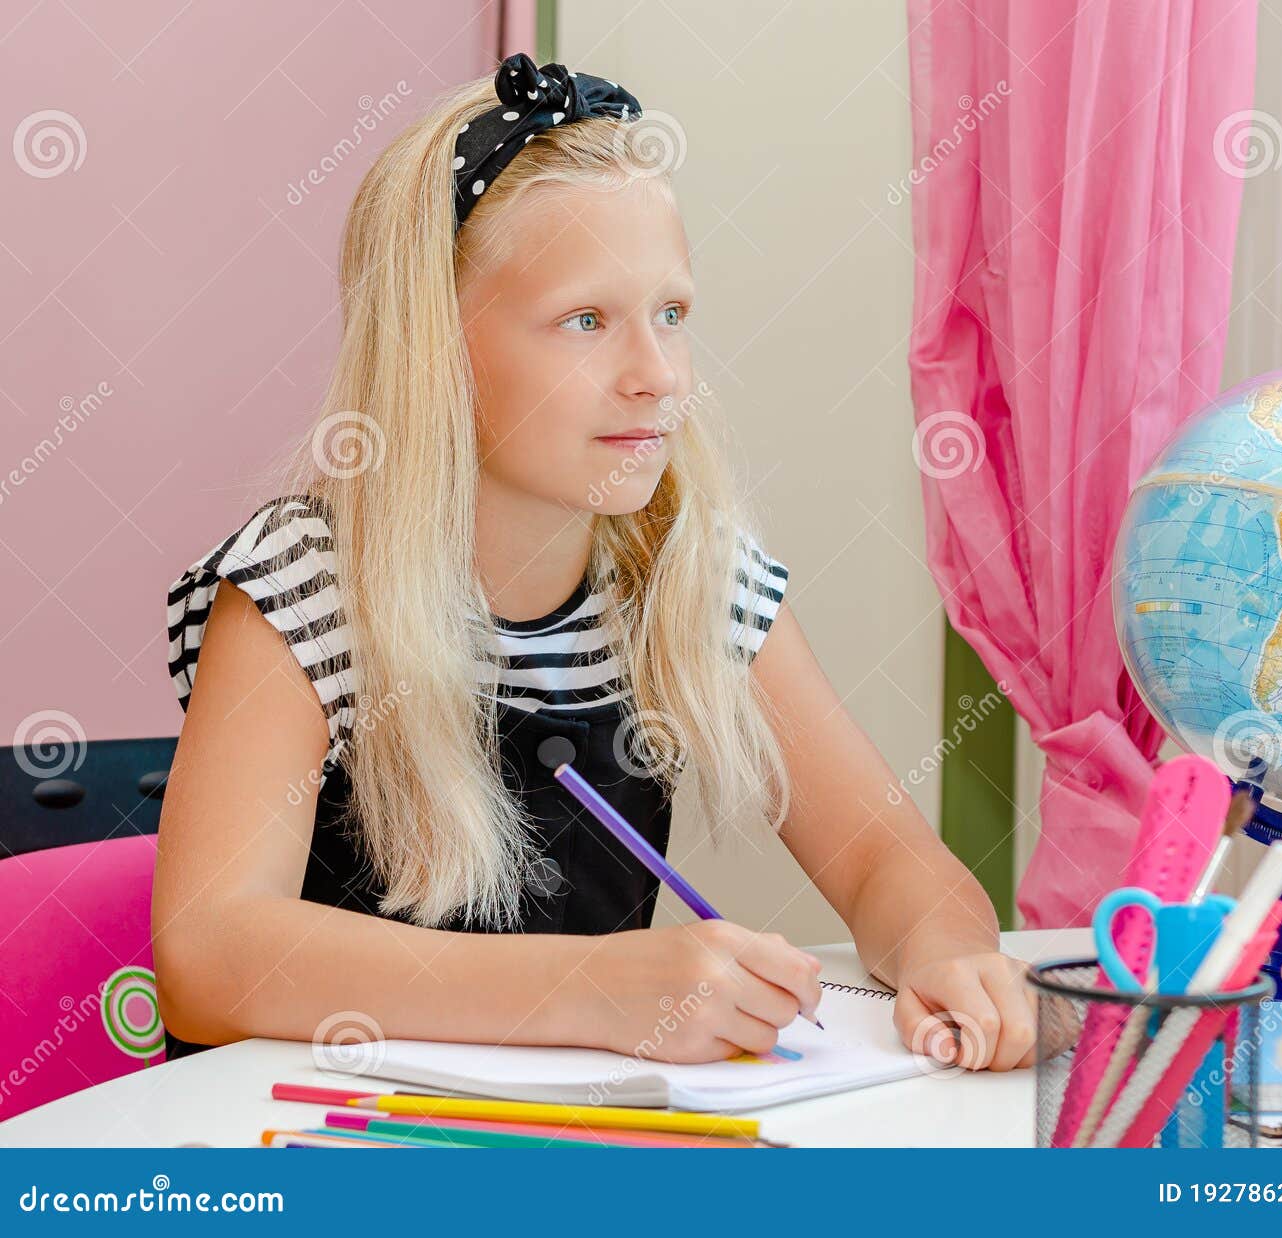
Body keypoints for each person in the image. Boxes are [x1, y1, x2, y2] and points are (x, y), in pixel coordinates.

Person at [154, 56, 1039, 1073]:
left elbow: (886, 856)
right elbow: (207, 954)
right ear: (434, 344)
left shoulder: (687, 572)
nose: (657, 375)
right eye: (586, 322)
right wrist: (587, 986)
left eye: (672, 315)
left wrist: (947, 948)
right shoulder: (304, 583)